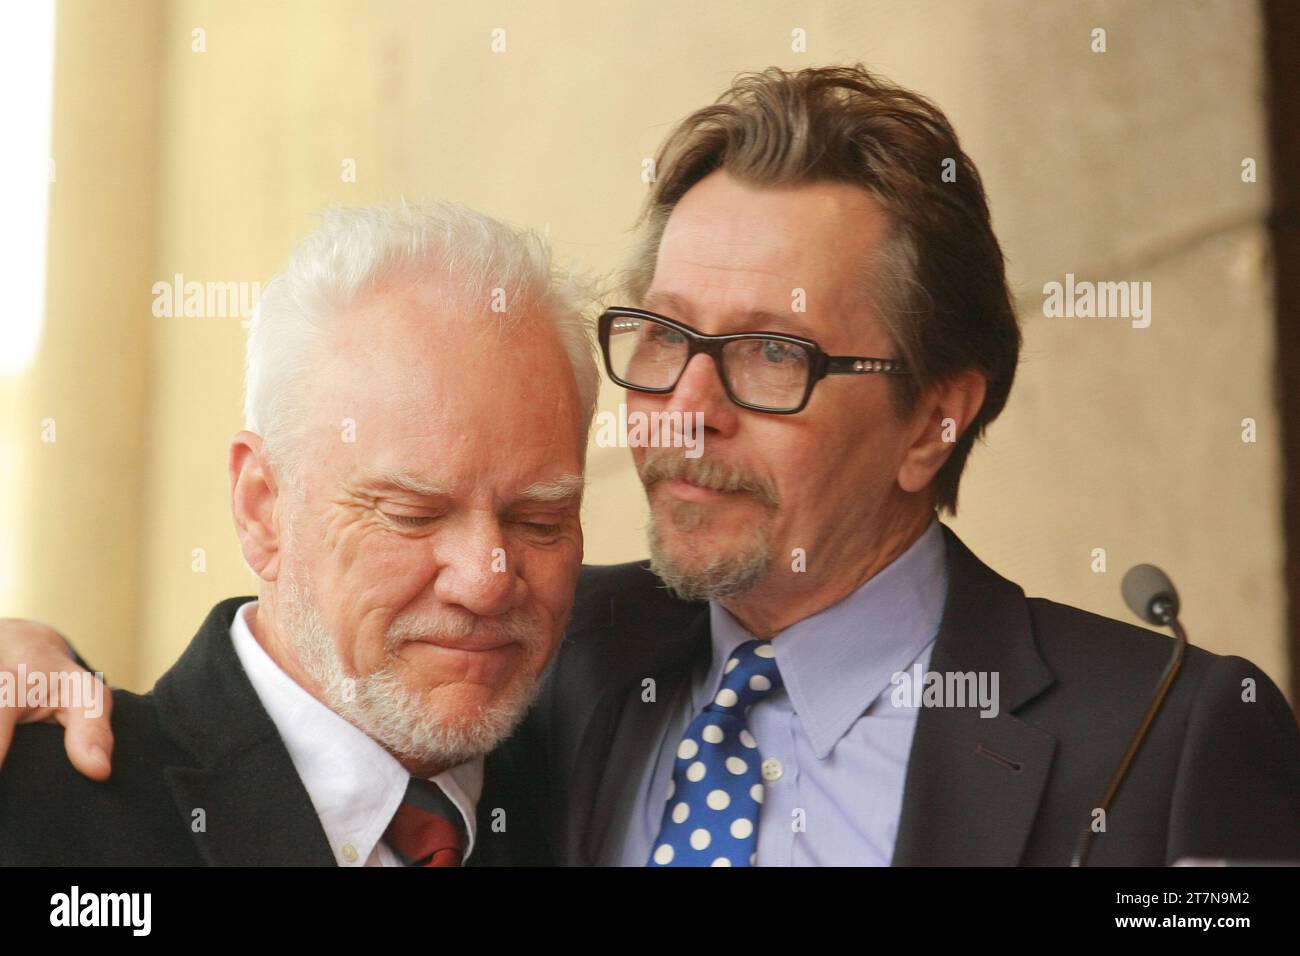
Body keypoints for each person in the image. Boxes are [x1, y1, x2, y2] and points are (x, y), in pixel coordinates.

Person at [4, 65, 1299, 866]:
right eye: (665, 339)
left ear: (933, 422)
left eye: (771, 355)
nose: (682, 411)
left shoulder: (1161, 743)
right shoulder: (546, 655)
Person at [0, 201, 597, 866]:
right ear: (262, 507)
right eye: (411, 514)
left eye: (538, 521)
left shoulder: (620, 787)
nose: (486, 580)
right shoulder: (33, 817)